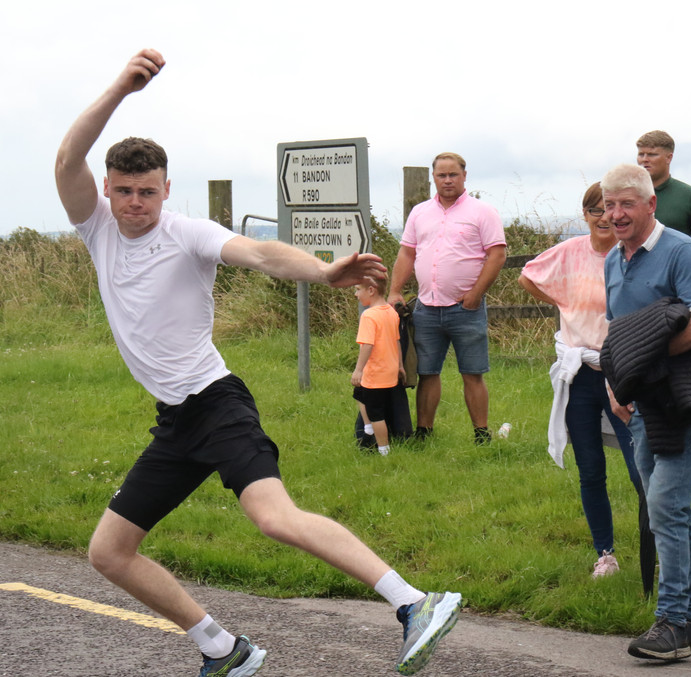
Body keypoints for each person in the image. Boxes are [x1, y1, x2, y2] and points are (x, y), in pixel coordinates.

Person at [54, 48, 461, 677]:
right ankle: (224, 648)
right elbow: (65, 158)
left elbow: (262, 254)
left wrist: (324, 270)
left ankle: (415, 603)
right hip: (175, 421)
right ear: (108, 189)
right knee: (109, 551)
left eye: (149, 192)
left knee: (274, 518)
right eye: (127, 192)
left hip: (217, 403)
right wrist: (120, 90)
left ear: (168, 189)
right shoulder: (97, 226)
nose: (137, 203)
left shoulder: (186, 233)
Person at [602, 164, 691, 661]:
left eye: (627, 203)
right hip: (644, 401)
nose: (616, 213)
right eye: (609, 204)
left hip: (689, 397)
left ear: (652, 204)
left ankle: (671, 622)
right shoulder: (612, 259)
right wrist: (617, 383)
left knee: (665, 505)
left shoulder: (680, 250)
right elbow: (617, 330)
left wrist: (642, 361)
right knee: (669, 507)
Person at [518, 182, 642, 577]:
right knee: (591, 470)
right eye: (595, 210)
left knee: (642, 466)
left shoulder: (632, 256)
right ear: (585, 215)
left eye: (609, 209)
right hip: (580, 374)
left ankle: (658, 549)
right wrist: (563, 301)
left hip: (624, 372)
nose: (604, 217)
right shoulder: (570, 252)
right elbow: (528, 276)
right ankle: (604, 553)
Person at [388, 153, 507, 444]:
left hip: (466, 308)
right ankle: (424, 432)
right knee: (427, 372)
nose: (448, 180)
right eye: (441, 175)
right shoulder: (420, 213)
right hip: (427, 307)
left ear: (464, 175)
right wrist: (394, 290)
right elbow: (407, 252)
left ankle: (481, 434)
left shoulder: (483, 212)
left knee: (473, 372)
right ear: (434, 178)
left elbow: (497, 254)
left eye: (453, 174)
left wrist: (475, 294)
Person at [352, 273, 406, 456]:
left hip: (375, 373)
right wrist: (400, 365)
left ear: (371, 290)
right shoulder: (391, 311)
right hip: (389, 370)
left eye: (358, 290)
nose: (356, 294)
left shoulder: (369, 316)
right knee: (359, 393)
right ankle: (367, 428)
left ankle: (383, 449)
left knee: (376, 414)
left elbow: (367, 345)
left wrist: (358, 370)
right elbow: (397, 341)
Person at [636, 130, 691, 235]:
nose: (645, 159)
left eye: (652, 155)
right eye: (641, 154)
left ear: (669, 158)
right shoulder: (626, 194)